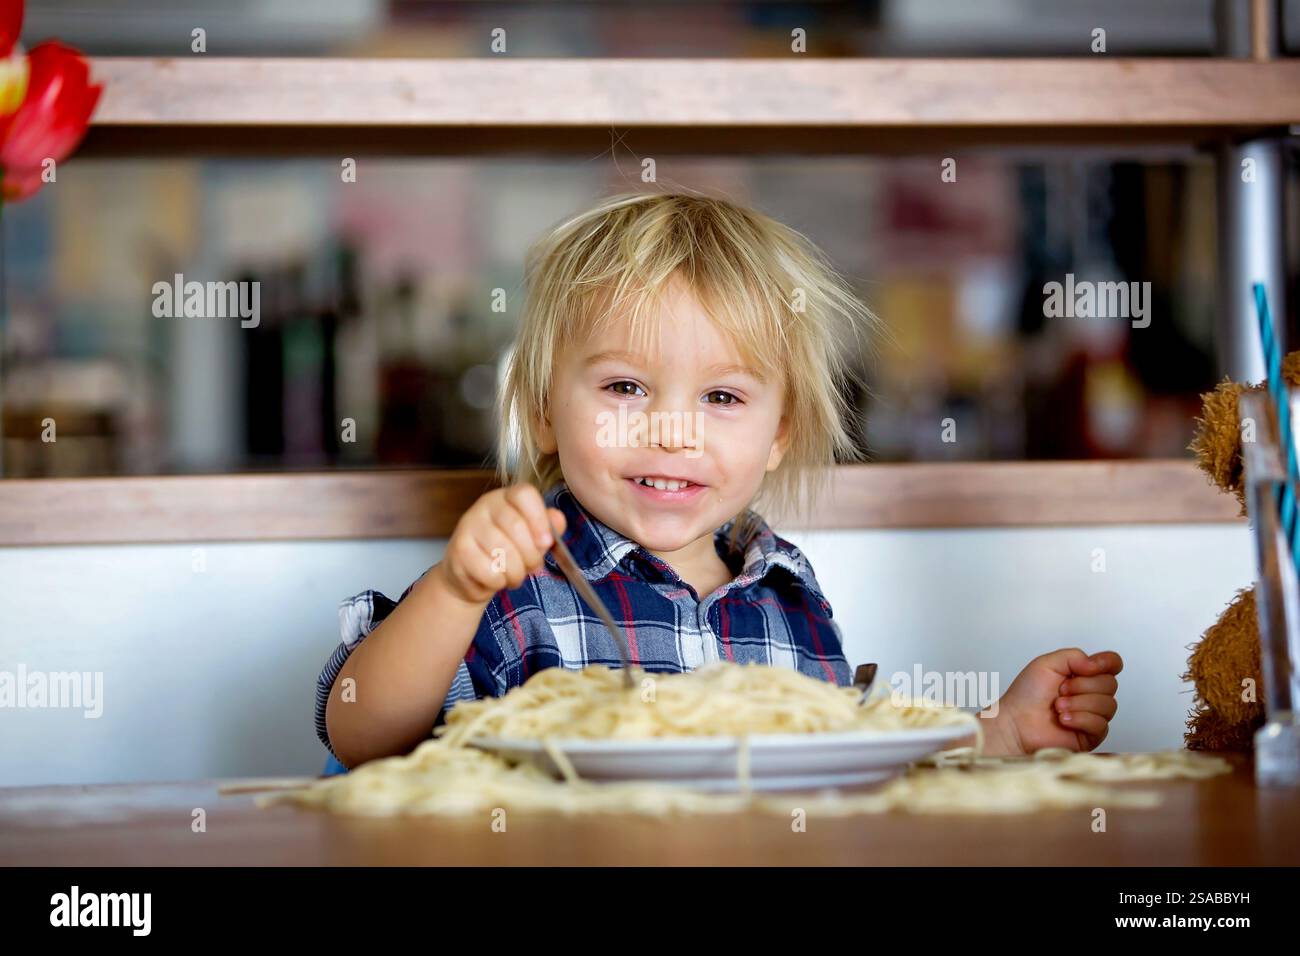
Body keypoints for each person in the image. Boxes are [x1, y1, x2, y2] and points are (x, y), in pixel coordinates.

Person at [317, 191, 1122, 772]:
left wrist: (999, 730)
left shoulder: (787, 594)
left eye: (723, 398)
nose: (674, 431)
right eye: (626, 387)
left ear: (780, 435)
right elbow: (361, 737)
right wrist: (456, 591)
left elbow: (845, 752)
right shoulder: (512, 584)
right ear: (543, 414)